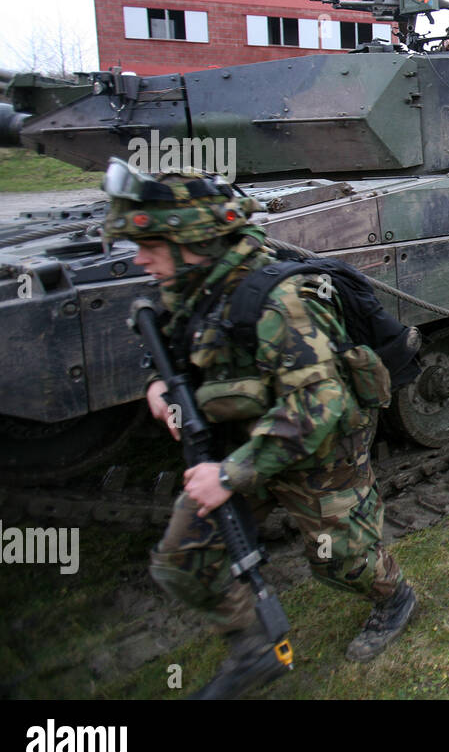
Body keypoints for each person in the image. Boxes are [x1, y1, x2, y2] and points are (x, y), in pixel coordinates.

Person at [100, 159, 416, 699]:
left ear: (191, 240)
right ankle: (254, 650)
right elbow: (179, 346)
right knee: (182, 559)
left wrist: (229, 475)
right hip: (248, 440)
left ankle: (395, 598)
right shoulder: (195, 286)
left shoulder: (280, 300)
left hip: (318, 445)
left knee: (343, 560)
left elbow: (322, 402)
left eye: (148, 245)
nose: (139, 258)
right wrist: (159, 383)